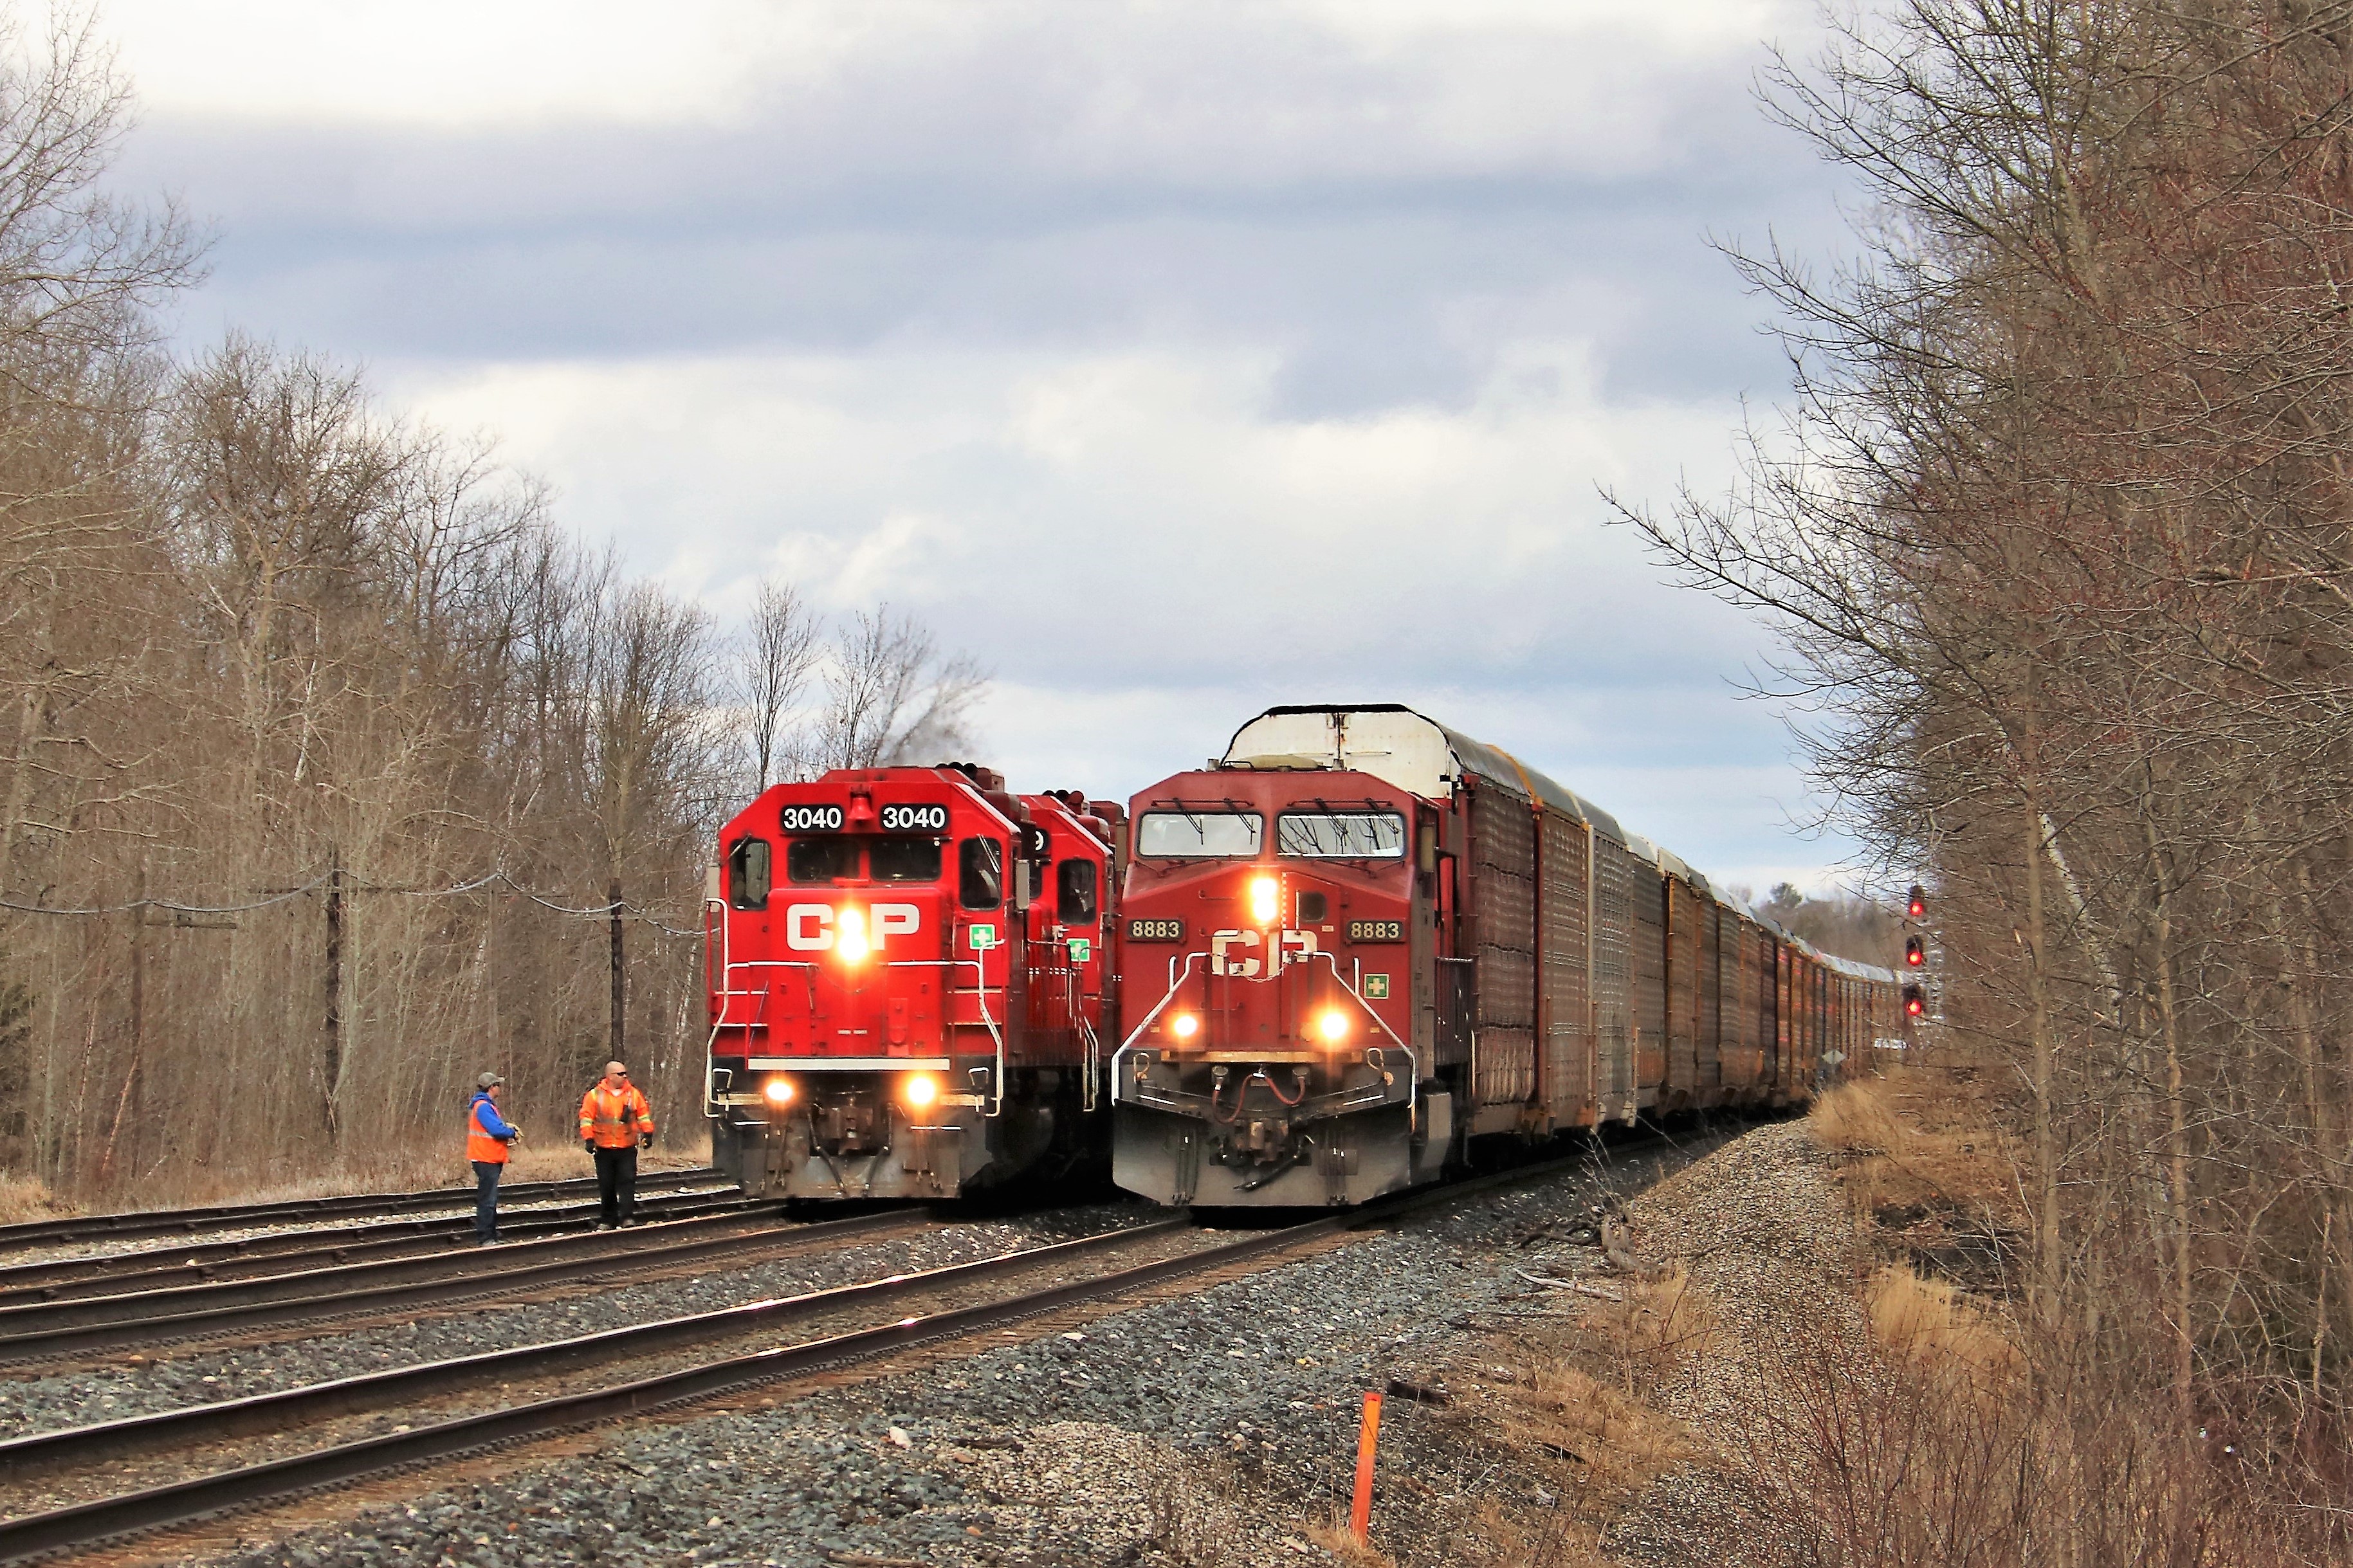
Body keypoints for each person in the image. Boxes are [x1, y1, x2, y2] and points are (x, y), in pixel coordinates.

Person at [579, 1060, 656, 1228]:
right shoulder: (594, 1095)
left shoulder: (633, 1094)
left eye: (625, 1073)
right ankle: (608, 1219)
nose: (624, 1076)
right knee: (606, 1184)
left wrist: (648, 1134)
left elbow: (643, 1115)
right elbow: (586, 1118)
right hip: (603, 1147)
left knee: (627, 1181)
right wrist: (589, 1139)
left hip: (627, 1146)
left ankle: (627, 1217)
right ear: (610, 1076)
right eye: (620, 1074)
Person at [466, 1072, 522, 1244]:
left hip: (488, 1157)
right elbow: (495, 1130)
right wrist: (511, 1132)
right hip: (486, 1158)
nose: (500, 1088)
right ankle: (486, 1238)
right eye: (499, 1085)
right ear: (492, 1087)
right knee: (488, 1200)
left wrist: (506, 1127)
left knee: (490, 1199)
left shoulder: (484, 1105)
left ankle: (491, 1235)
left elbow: (494, 1126)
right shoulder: (483, 1106)